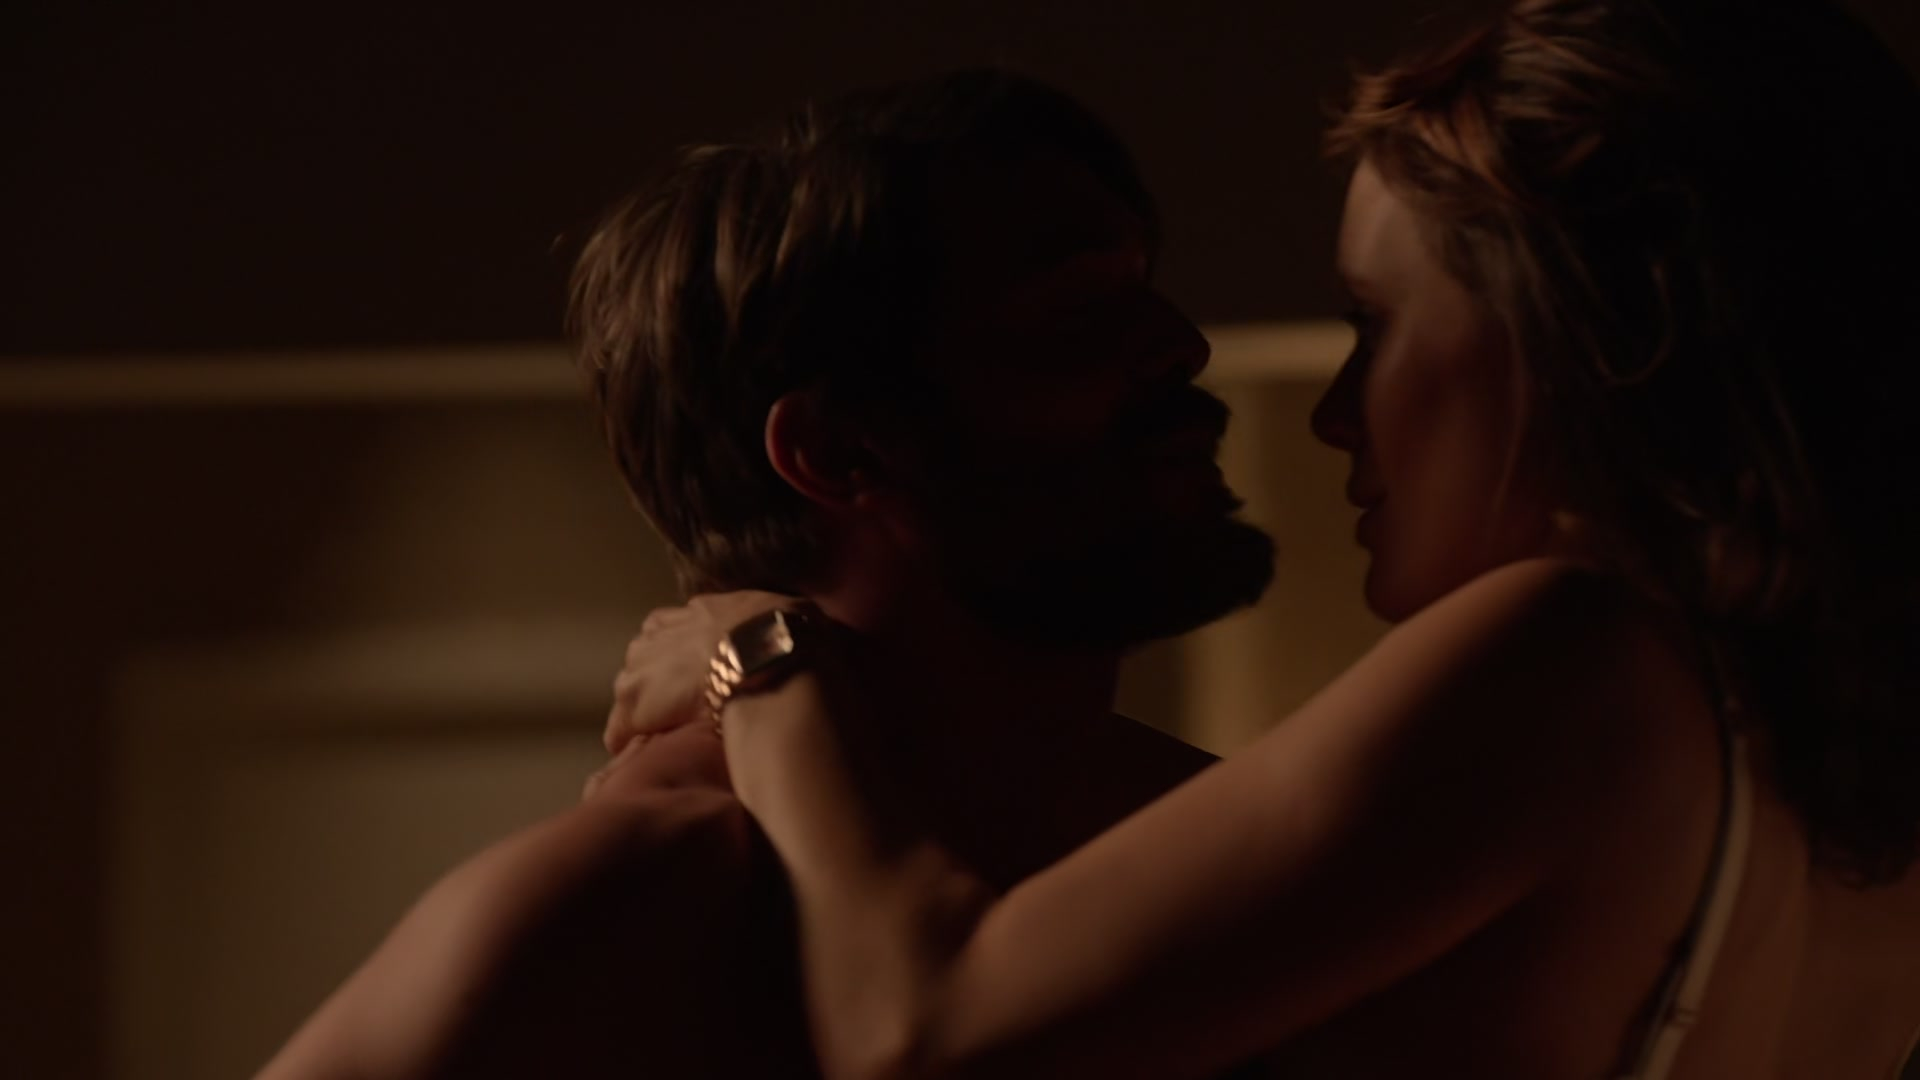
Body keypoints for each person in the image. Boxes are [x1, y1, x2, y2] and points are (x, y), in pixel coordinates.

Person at [606, 1, 1920, 1077]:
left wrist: (764, 662)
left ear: (1579, 334)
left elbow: (925, 1037)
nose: (1339, 414)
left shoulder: (1571, 652)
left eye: (1375, 325)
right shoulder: (1814, 745)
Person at [256, 69, 1278, 1079]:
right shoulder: (631, 902)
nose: (1181, 344)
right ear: (838, 450)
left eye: (1142, 288)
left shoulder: (1189, 831)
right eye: (1079, 311)